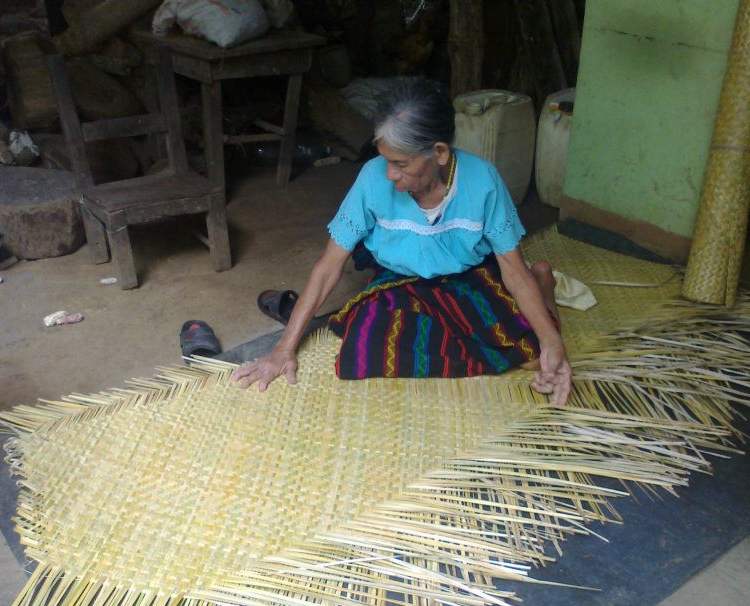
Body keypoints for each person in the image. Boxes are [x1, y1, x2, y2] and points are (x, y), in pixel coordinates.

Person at [233, 79, 571, 404]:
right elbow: (327, 268)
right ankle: (528, 303)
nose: (390, 174)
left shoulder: (482, 181)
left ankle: (542, 281)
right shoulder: (372, 178)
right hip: (402, 281)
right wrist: (283, 349)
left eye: (400, 164)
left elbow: (512, 271)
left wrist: (552, 341)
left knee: (530, 357)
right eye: (385, 160)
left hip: (468, 277)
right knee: (365, 347)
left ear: (438, 152)